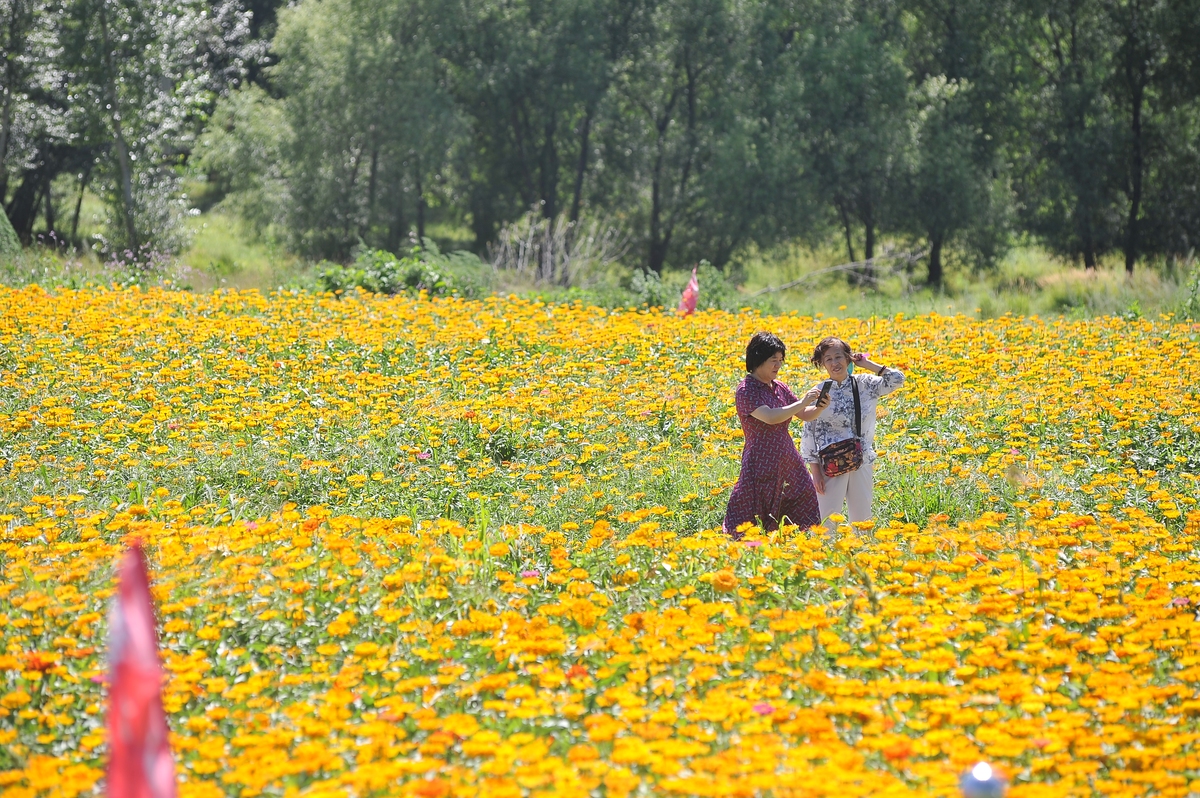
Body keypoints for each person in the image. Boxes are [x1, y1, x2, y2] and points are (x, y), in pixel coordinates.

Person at [723, 332, 828, 536]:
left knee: (803, 499)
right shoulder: (746, 390)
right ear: (758, 359)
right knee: (754, 511)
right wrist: (803, 401)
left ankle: (796, 546)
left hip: (788, 459)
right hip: (760, 461)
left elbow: (804, 414)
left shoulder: (779, 387)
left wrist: (820, 407)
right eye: (773, 360)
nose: (778, 366)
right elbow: (770, 417)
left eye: (780, 361)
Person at [800, 336, 905, 528]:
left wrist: (867, 364)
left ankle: (862, 555)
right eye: (828, 359)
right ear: (823, 364)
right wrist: (814, 471)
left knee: (862, 519)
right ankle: (824, 555)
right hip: (830, 463)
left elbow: (897, 379)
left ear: (848, 359)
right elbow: (809, 431)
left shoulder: (865, 383)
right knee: (827, 520)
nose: (834, 363)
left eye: (838, 356)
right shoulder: (820, 390)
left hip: (861, 458)